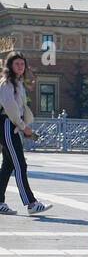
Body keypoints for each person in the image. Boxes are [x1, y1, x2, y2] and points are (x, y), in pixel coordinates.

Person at [0, 51, 49, 216]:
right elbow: (11, 108)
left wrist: (25, 125)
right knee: (20, 164)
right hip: (7, 124)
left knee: (7, 166)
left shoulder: (18, 83)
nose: (20, 67)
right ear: (10, 66)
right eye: (17, 64)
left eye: (22, 64)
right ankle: (31, 203)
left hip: (11, 125)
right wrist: (22, 126)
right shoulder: (7, 83)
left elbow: (21, 108)